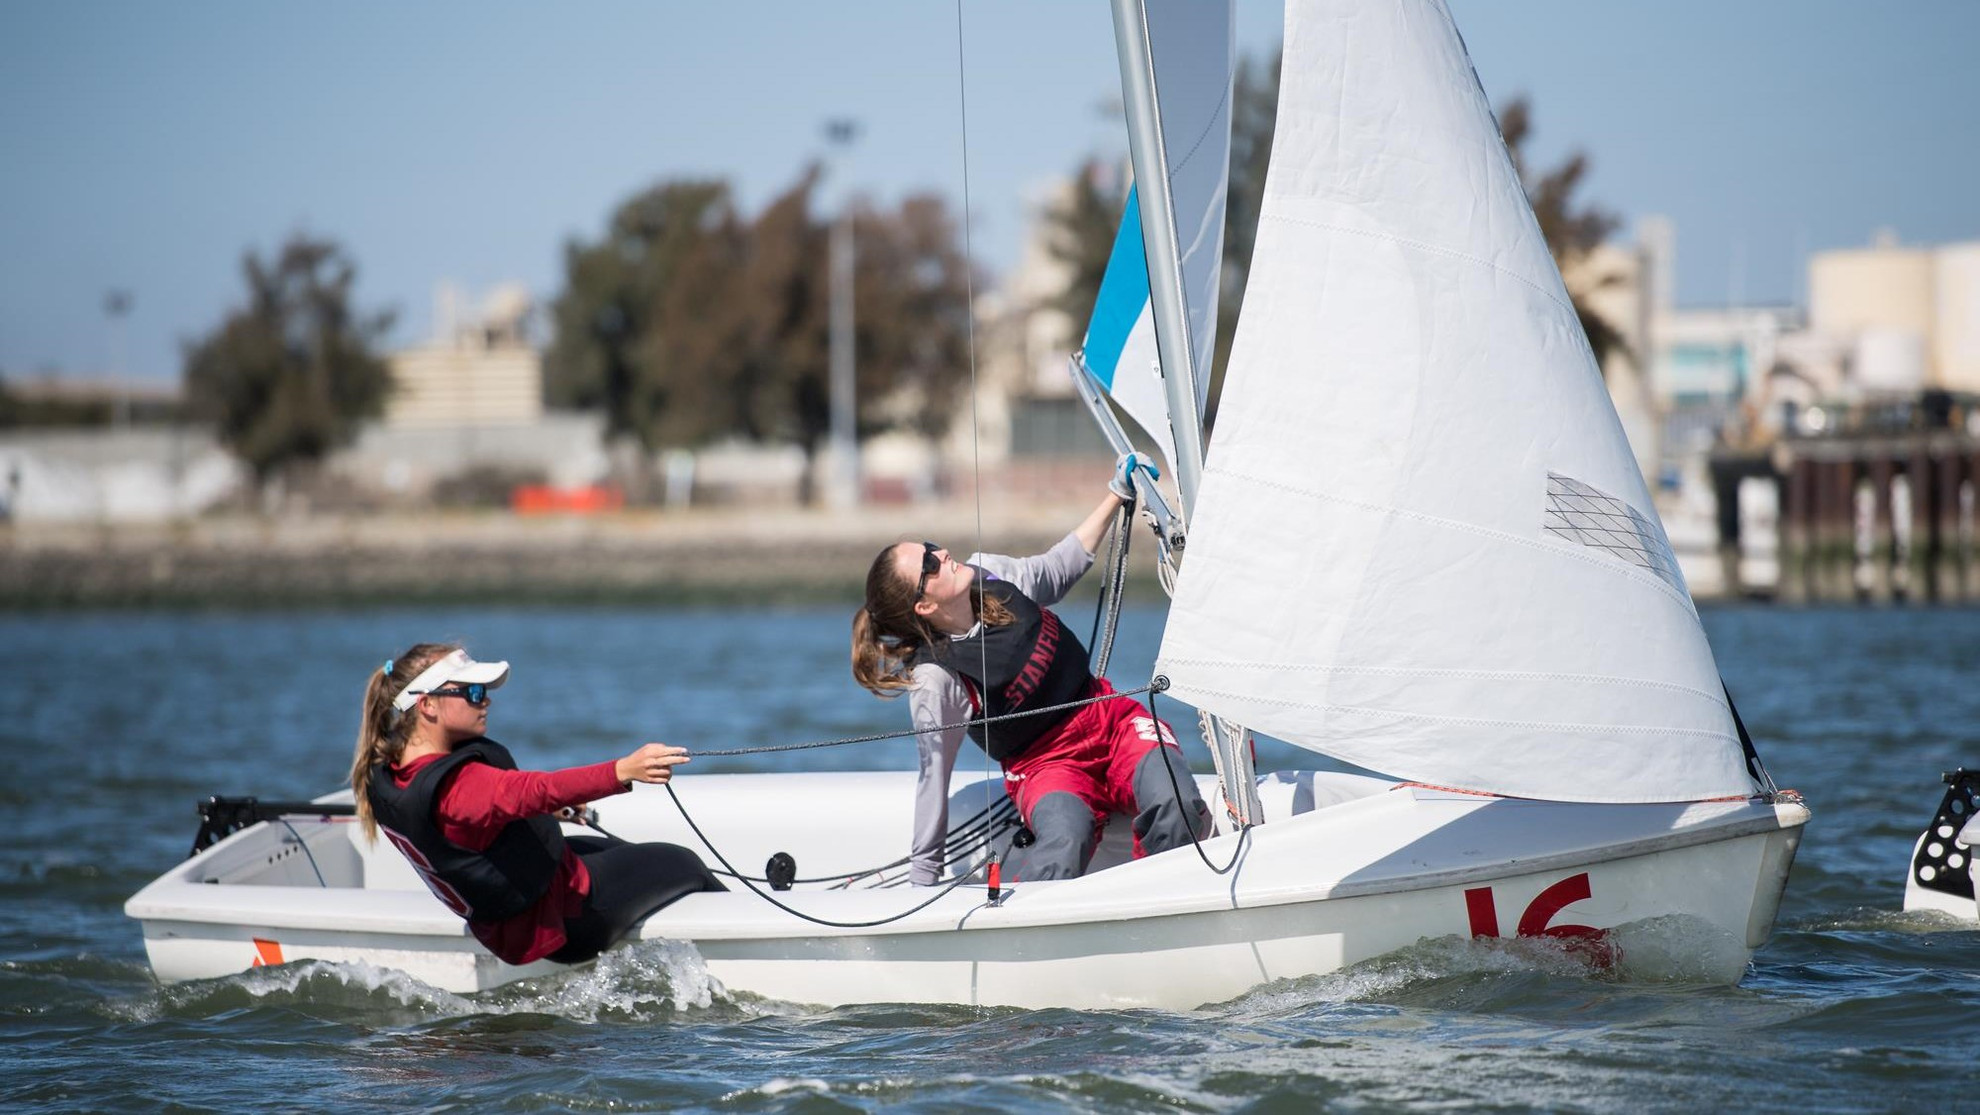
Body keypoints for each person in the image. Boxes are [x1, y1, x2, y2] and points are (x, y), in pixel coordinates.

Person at [851, 453, 1210, 886]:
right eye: (928, 565)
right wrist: (923, 877)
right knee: (1064, 843)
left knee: (1180, 806)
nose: (941, 553)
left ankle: (1160, 905)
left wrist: (1117, 494)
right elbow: (933, 779)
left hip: (1109, 718)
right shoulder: (937, 679)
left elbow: (1057, 570)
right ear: (924, 606)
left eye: (930, 547)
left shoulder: (991, 574)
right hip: (1045, 765)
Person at [350, 643, 723, 967]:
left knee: (633, 855)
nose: (486, 700)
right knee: (685, 862)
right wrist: (623, 770)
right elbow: (536, 789)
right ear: (427, 704)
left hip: (528, 912)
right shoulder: (458, 788)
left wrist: (546, 812)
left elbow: (470, 828)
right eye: (474, 692)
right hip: (568, 922)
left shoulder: (389, 773)